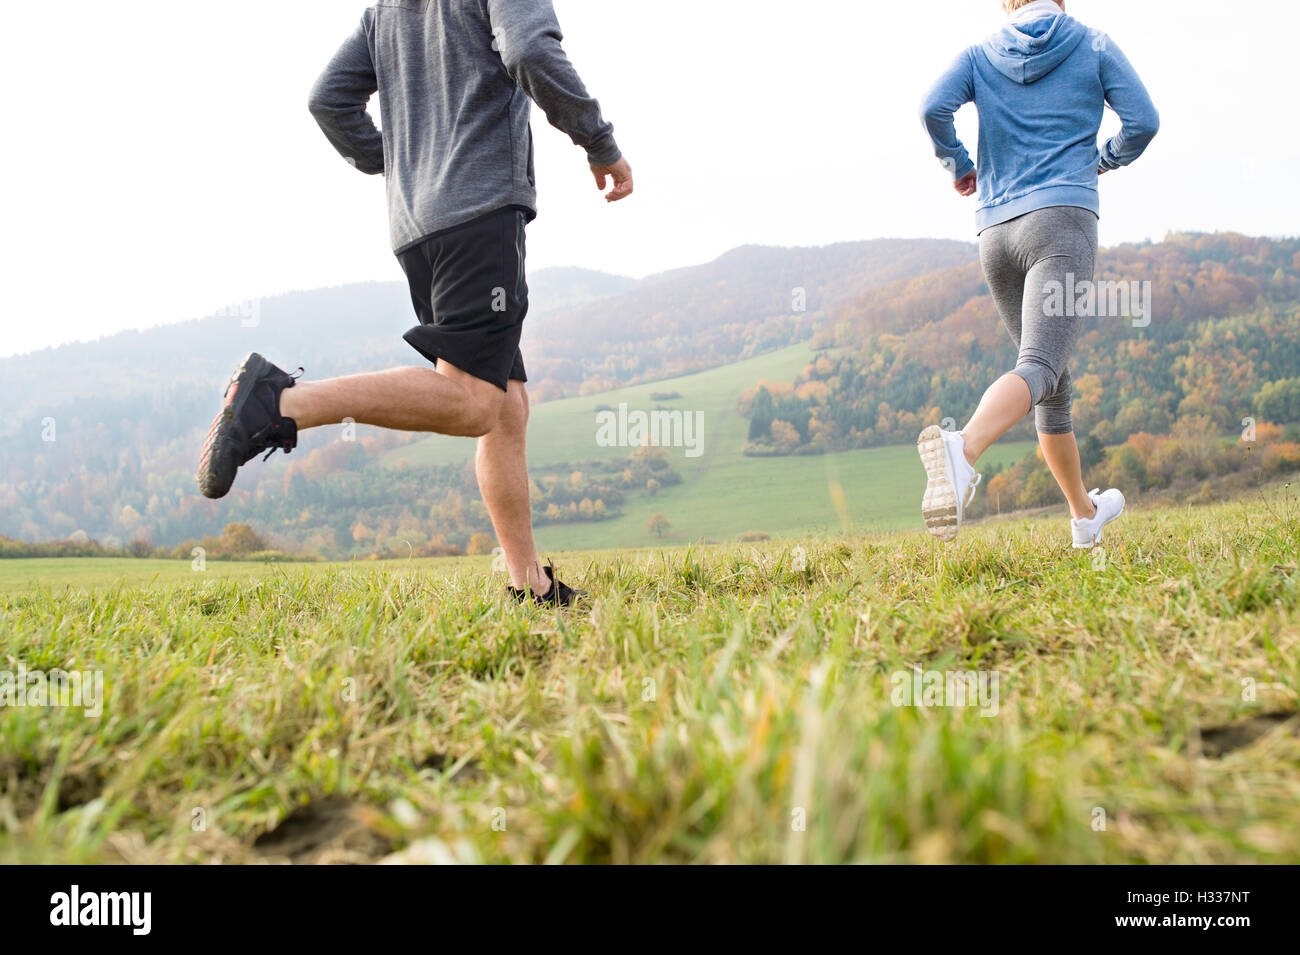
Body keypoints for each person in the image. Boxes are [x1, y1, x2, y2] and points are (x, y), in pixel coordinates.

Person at [197, 0, 633, 605]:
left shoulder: (387, 11)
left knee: (507, 403)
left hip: (417, 226)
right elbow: (530, 49)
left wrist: (400, 161)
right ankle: (279, 400)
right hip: (478, 212)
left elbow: (328, 99)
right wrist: (599, 142)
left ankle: (529, 584)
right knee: (476, 402)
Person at [917, 0, 1158, 548]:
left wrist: (959, 165)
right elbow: (1144, 122)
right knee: (1041, 365)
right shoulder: (1092, 44)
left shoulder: (980, 54)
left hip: (995, 233)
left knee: (1052, 382)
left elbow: (933, 108)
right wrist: (1103, 159)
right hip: (1061, 223)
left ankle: (1085, 516)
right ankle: (964, 450)